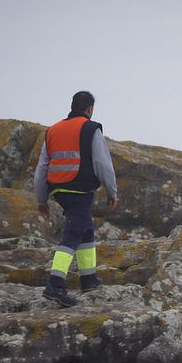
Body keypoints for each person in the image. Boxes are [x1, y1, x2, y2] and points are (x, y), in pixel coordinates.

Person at [33, 90, 118, 307]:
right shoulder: (91, 128)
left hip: (58, 191)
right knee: (73, 233)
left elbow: (42, 168)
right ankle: (55, 285)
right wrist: (112, 191)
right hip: (79, 190)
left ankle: (88, 279)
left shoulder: (53, 130)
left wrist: (41, 199)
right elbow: (103, 164)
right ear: (89, 109)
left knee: (85, 228)